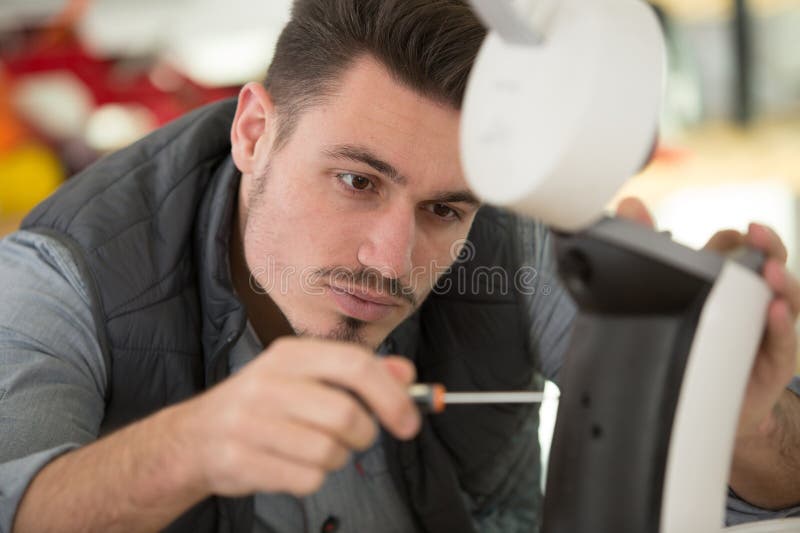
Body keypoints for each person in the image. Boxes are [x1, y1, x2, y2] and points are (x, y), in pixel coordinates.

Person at [1, 1, 799, 531]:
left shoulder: (510, 233)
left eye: (443, 210)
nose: (392, 258)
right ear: (254, 132)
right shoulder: (62, 272)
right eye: (357, 181)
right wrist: (196, 445)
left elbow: (776, 466)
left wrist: (728, 410)